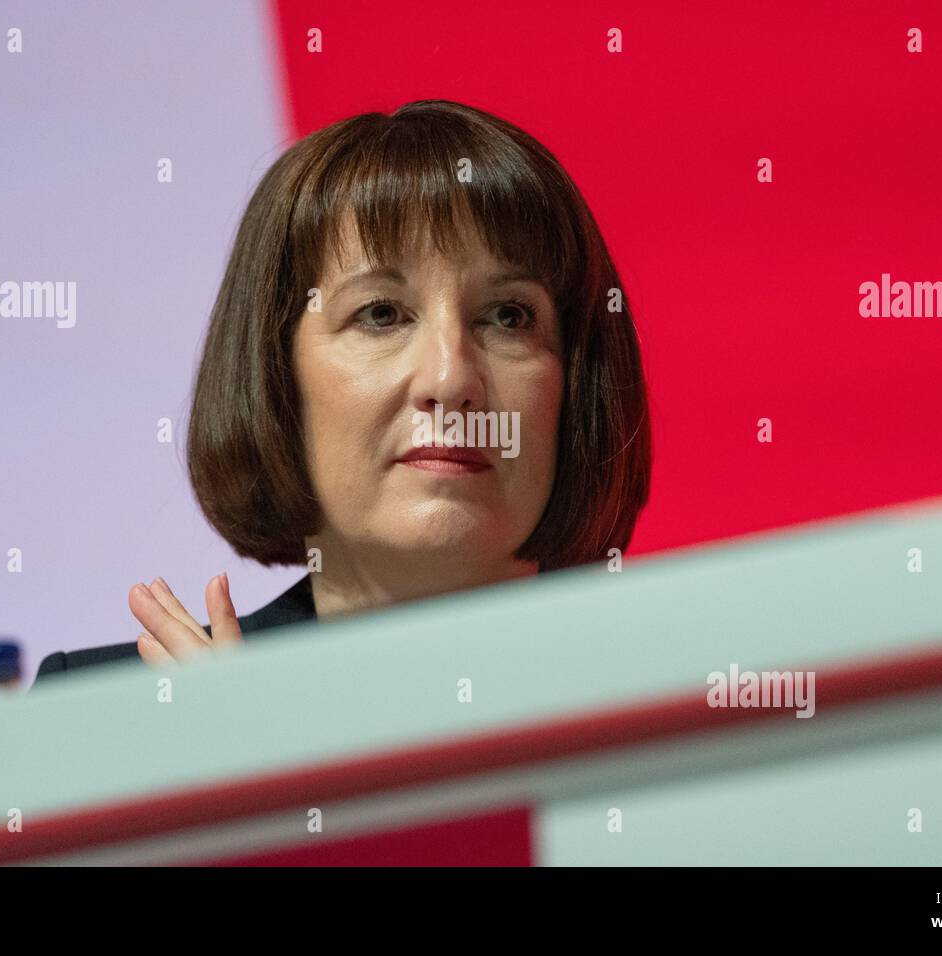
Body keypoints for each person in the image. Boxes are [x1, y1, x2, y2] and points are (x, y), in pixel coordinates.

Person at [32, 99, 651, 687]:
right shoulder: (97, 719)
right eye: (381, 314)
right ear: (276, 378)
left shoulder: (683, 706)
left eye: (508, 316)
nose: (449, 380)